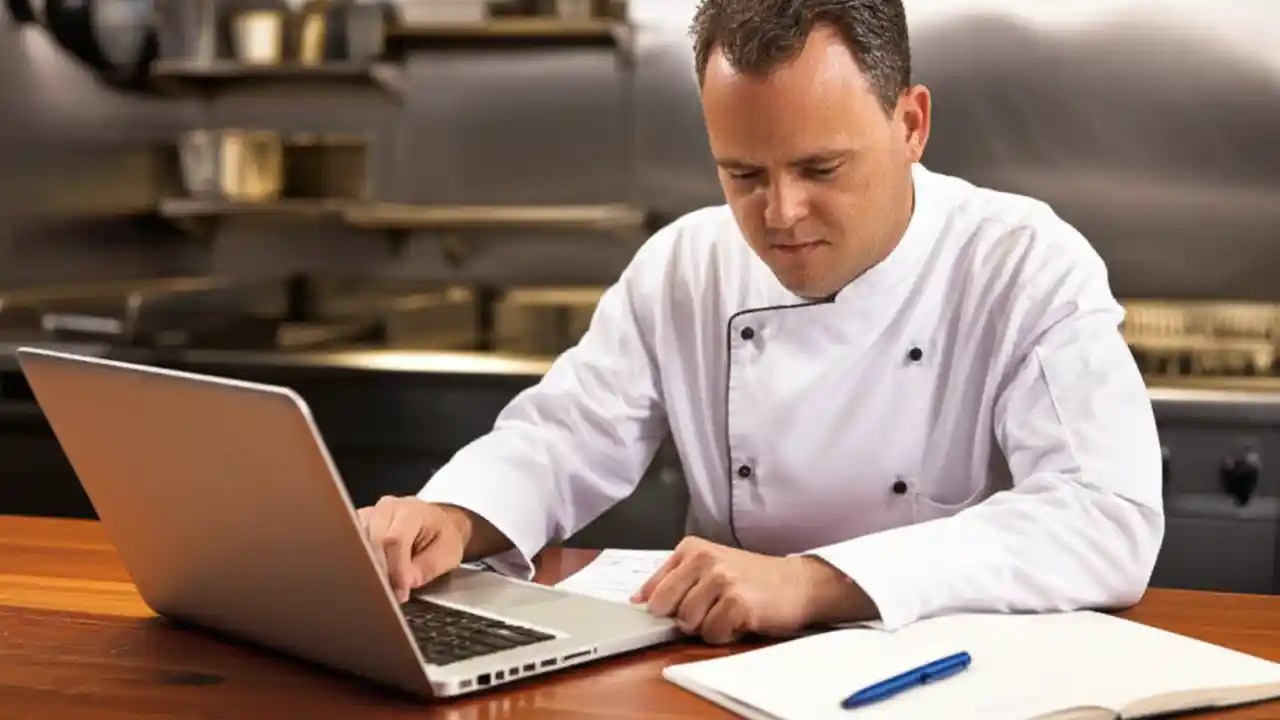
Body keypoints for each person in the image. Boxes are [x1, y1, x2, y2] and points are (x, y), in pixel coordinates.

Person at [358, 0, 1164, 645]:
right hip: (721, 669)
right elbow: (565, 435)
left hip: (952, 678)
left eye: (821, 169)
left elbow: (1106, 516)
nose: (780, 213)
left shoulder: (1022, 262)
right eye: (742, 174)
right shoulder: (686, 265)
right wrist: (454, 516)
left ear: (911, 124)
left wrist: (814, 582)